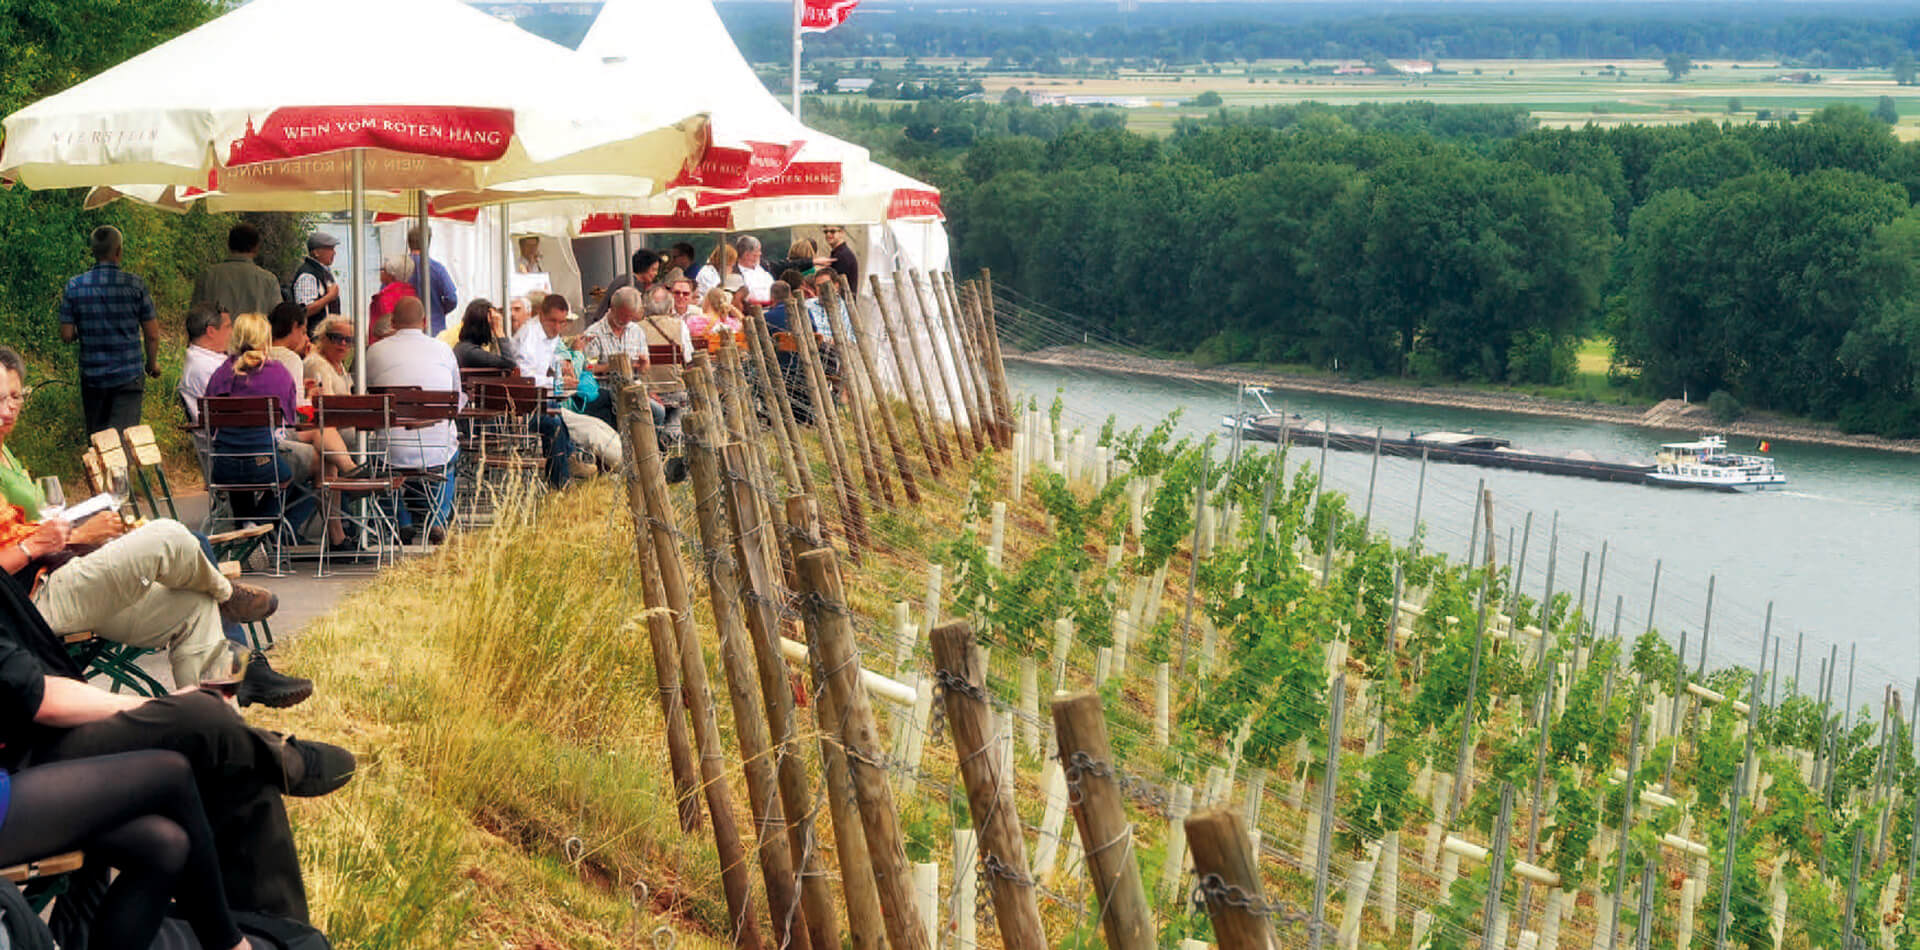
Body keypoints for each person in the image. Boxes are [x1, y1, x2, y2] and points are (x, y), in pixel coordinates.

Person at [0, 568, 354, 924]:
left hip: (33, 742)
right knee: (203, 722)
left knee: (218, 768)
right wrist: (158, 707)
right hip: (20, 763)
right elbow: (36, 696)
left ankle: (276, 933)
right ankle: (277, 755)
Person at [206, 314, 359, 547]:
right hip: (266, 463)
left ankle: (249, 529)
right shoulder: (277, 372)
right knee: (310, 464)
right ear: (266, 340)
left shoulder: (220, 373)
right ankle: (261, 528)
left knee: (311, 446)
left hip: (223, 464)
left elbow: (210, 421)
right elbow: (288, 420)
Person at [365, 297, 462, 540]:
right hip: (436, 449)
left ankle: (400, 519)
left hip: (390, 449)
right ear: (425, 321)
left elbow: (365, 392)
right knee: (451, 452)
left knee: (380, 462)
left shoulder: (375, 351)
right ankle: (437, 518)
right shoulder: (443, 350)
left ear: (393, 322)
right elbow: (457, 398)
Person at [59, 225, 161, 435]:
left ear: (93, 252)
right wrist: (151, 365)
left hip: (93, 378)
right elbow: (152, 334)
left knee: (98, 444)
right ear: (118, 252)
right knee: (123, 444)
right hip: (128, 377)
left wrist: (86, 329)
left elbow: (67, 335)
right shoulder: (135, 284)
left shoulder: (75, 286)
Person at [192, 223, 284, 320]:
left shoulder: (208, 276)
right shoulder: (269, 280)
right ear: (256, 247)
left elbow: (195, 318)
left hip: (215, 334)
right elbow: (278, 321)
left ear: (229, 245)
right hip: (256, 335)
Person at [179, 303, 232, 427]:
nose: (232, 331)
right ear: (211, 331)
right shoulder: (205, 367)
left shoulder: (203, 358)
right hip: (223, 439)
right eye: (228, 326)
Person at [407, 226, 459, 336]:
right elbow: (452, 298)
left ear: (409, 242)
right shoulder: (437, 268)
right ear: (428, 243)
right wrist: (439, 311)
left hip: (406, 329)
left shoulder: (400, 268)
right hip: (434, 328)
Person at [580, 286, 648, 367]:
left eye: (631, 317)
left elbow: (645, 368)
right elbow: (588, 367)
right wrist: (613, 367)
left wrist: (643, 365)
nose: (626, 320)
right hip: (604, 379)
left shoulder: (637, 331)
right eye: (623, 315)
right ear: (612, 308)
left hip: (634, 378)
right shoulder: (593, 333)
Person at [289, 232, 341, 335]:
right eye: (330, 249)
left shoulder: (322, 272)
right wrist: (330, 296)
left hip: (324, 336)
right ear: (316, 252)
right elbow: (304, 311)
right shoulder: (307, 275)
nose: (334, 253)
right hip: (313, 336)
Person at [590, 248, 662, 322]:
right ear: (644, 267)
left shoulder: (623, 279)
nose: (655, 273)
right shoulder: (630, 285)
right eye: (653, 269)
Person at [452, 299, 521, 372]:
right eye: (492, 325)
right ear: (483, 326)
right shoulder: (471, 352)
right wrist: (499, 332)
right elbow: (511, 363)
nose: (493, 331)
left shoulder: (465, 348)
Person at [266, 303, 312, 409]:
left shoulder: (256, 354)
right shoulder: (291, 360)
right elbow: (298, 405)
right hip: (282, 423)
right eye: (303, 332)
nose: (306, 338)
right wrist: (310, 397)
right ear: (295, 326)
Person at [638, 286, 696, 363]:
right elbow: (688, 357)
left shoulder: (637, 327)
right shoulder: (680, 325)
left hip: (644, 374)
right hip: (674, 374)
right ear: (670, 307)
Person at [302, 316, 354, 402]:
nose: (343, 343)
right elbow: (328, 404)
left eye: (348, 340)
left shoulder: (337, 363)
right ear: (323, 337)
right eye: (337, 337)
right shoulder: (316, 363)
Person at [370, 254, 416, 340]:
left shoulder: (385, 298)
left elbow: (385, 329)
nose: (380, 272)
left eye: (383, 270)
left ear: (391, 275)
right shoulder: (412, 293)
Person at [733, 235, 774, 307]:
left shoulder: (764, 267)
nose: (760, 254)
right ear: (746, 255)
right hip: (750, 311)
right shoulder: (735, 273)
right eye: (755, 254)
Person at [822, 224, 860, 292]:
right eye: (825, 232)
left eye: (832, 231)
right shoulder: (839, 253)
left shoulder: (842, 255)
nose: (828, 234)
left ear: (842, 233)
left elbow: (836, 284)